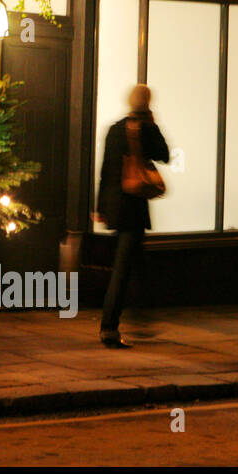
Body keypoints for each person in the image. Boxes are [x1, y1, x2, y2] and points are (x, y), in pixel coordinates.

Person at [95, 83, 170, 349]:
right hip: (133, 207)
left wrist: (101, 207)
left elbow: (105, 171)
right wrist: (153, 123)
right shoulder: (146, 129)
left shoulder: (115, 130)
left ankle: (142, 317)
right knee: (124, 269)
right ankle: (109, 327)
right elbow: (165, 155)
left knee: (136, 264)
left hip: (116, 206)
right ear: (147, 104)